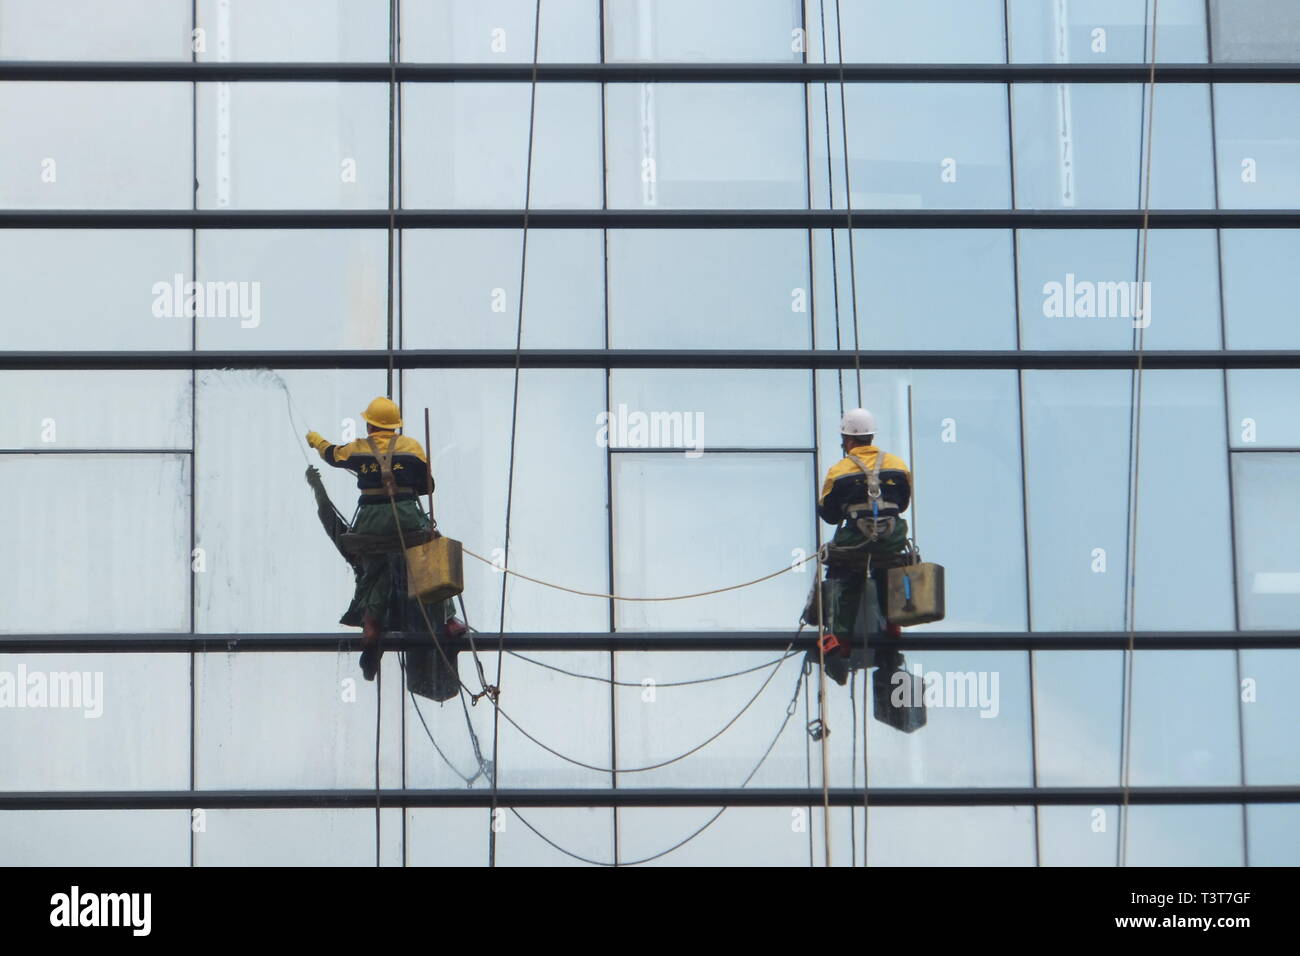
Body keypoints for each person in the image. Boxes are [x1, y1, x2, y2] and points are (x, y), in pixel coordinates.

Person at [306, 396, 464, 680]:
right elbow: (427, 486)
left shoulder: (357, 448)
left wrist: (315, 439)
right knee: (431, 560)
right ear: (395, 426)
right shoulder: (412, 447)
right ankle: (449, 620)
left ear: (369, 424)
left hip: (371, 522)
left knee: (373, 571)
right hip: (407, 519)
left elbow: (331, 454)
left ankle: (371, 625)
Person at [813, 407, 912, 686]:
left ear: (847, 440)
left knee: (844, 578)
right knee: (887, 574)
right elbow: (903, 504)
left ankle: (840, 644)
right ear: (871, 437)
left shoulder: (839, 471)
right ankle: (893, 631)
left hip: (856, 540)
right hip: (892, 539)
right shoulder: (898, 465)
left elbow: (829, 514)